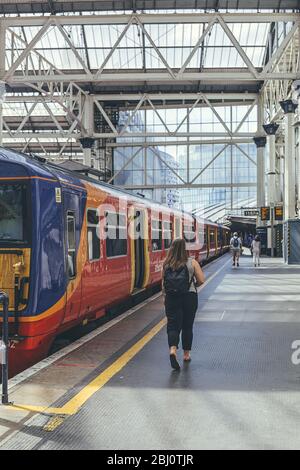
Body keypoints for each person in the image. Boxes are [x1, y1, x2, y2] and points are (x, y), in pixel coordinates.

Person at [162, 238, 205, 371]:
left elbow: (163, 284)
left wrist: (165, 299)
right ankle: (186, 354)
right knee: (187, 326)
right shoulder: (192, 262)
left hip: (171, 298)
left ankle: (173, 350)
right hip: (189, 297)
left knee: (173, 326)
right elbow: (202, 280)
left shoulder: (166, 263)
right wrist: (192, 285)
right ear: (185, 249)